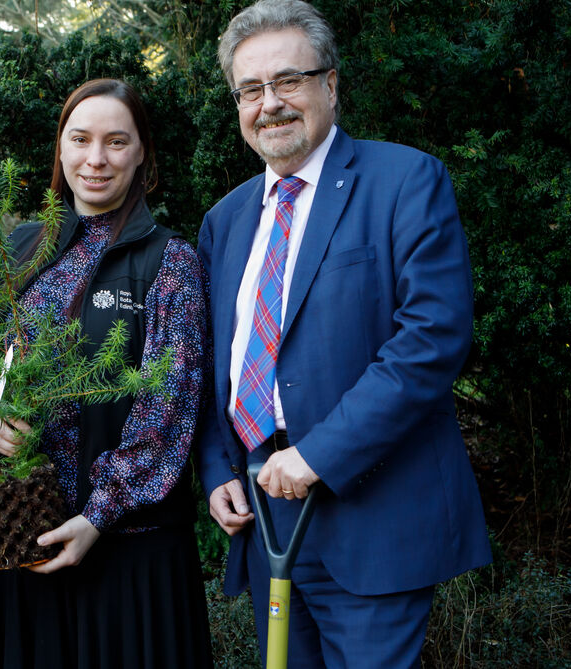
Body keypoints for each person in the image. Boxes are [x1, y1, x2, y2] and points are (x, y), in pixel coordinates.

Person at [195, 1, 493, 666]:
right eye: (251, 89)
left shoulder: (405, 180)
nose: (269, 103)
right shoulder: (226, 221)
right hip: (264, 511)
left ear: (331, 83)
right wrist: (217, 468)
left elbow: (430, 342)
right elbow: (218, 356)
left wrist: (317, 455)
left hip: (374, 515)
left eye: (288, 80)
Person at [0, 78, 213, 669]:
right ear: (61, 148)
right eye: (80, 139)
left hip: (131, 549)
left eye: (116, 141)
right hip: (29, 530)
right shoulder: (22, 249)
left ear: (141, 155)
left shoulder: (170, 261)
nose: (96, 158)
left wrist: (98, 514)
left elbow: (169, 406)